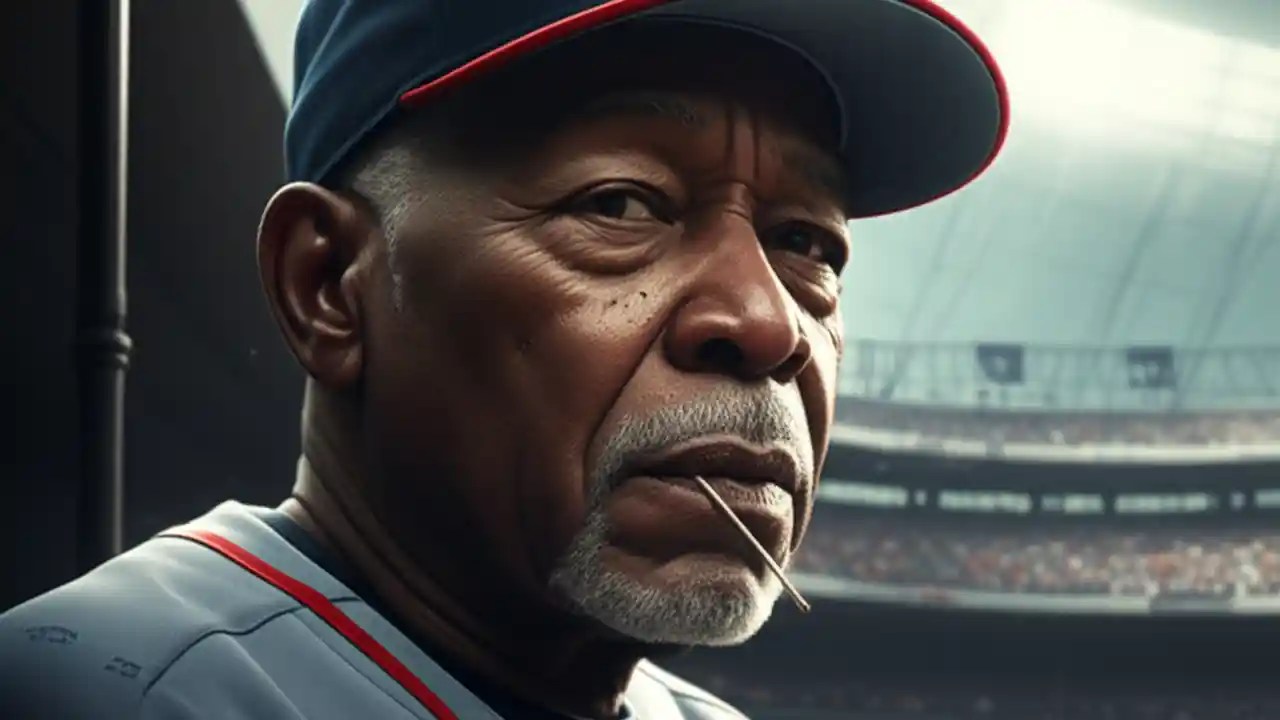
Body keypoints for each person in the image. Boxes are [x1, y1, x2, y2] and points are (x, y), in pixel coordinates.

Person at [0, 1, 1006, 717]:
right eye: (620, 203)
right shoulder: (82, 690)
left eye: (807, 243)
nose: (767, 323)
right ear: (328, 284)